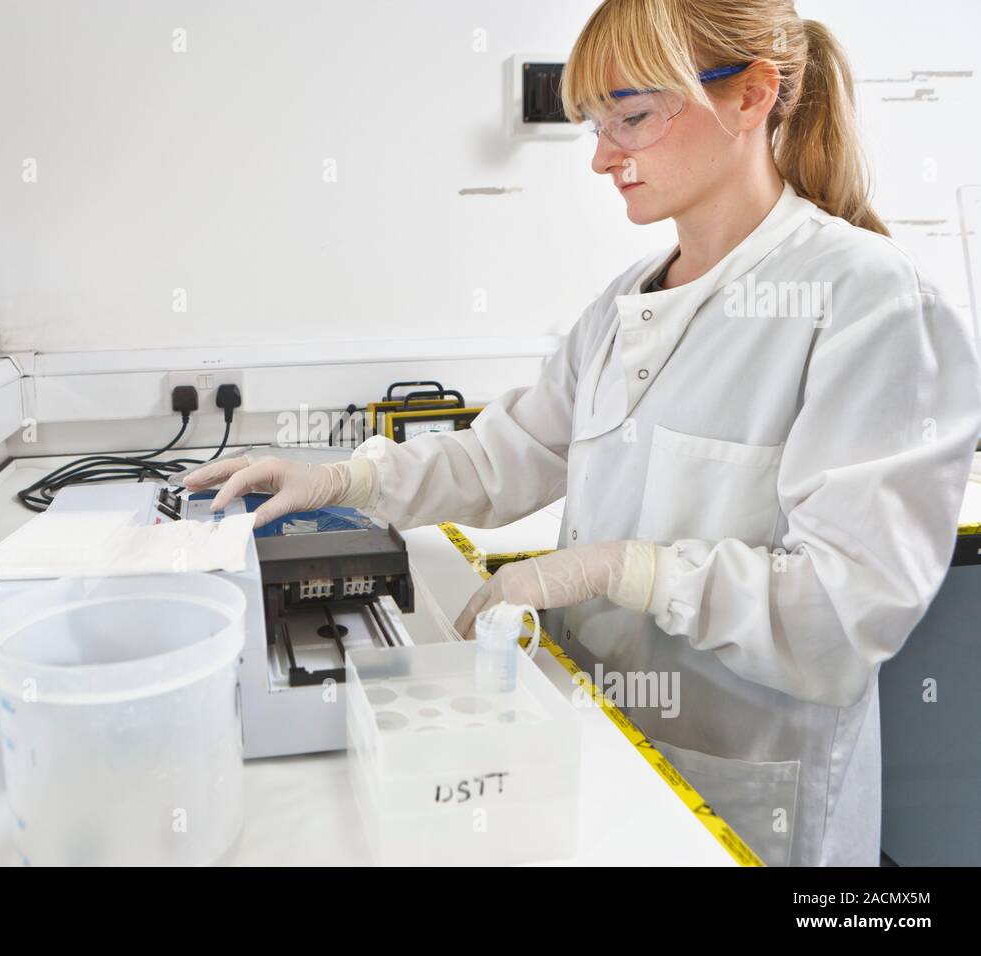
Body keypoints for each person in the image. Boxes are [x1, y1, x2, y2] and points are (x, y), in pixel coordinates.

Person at [184, 0, 981, 866]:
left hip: (748, 793)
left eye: (631, 118)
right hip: (592, 747)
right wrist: (344, 482)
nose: (604, 156)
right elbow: (509, 454)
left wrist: (614, 567)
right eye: (596, 127)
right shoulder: (628, 302)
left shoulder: (867, 301)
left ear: (752, 97)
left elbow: (848, 604)